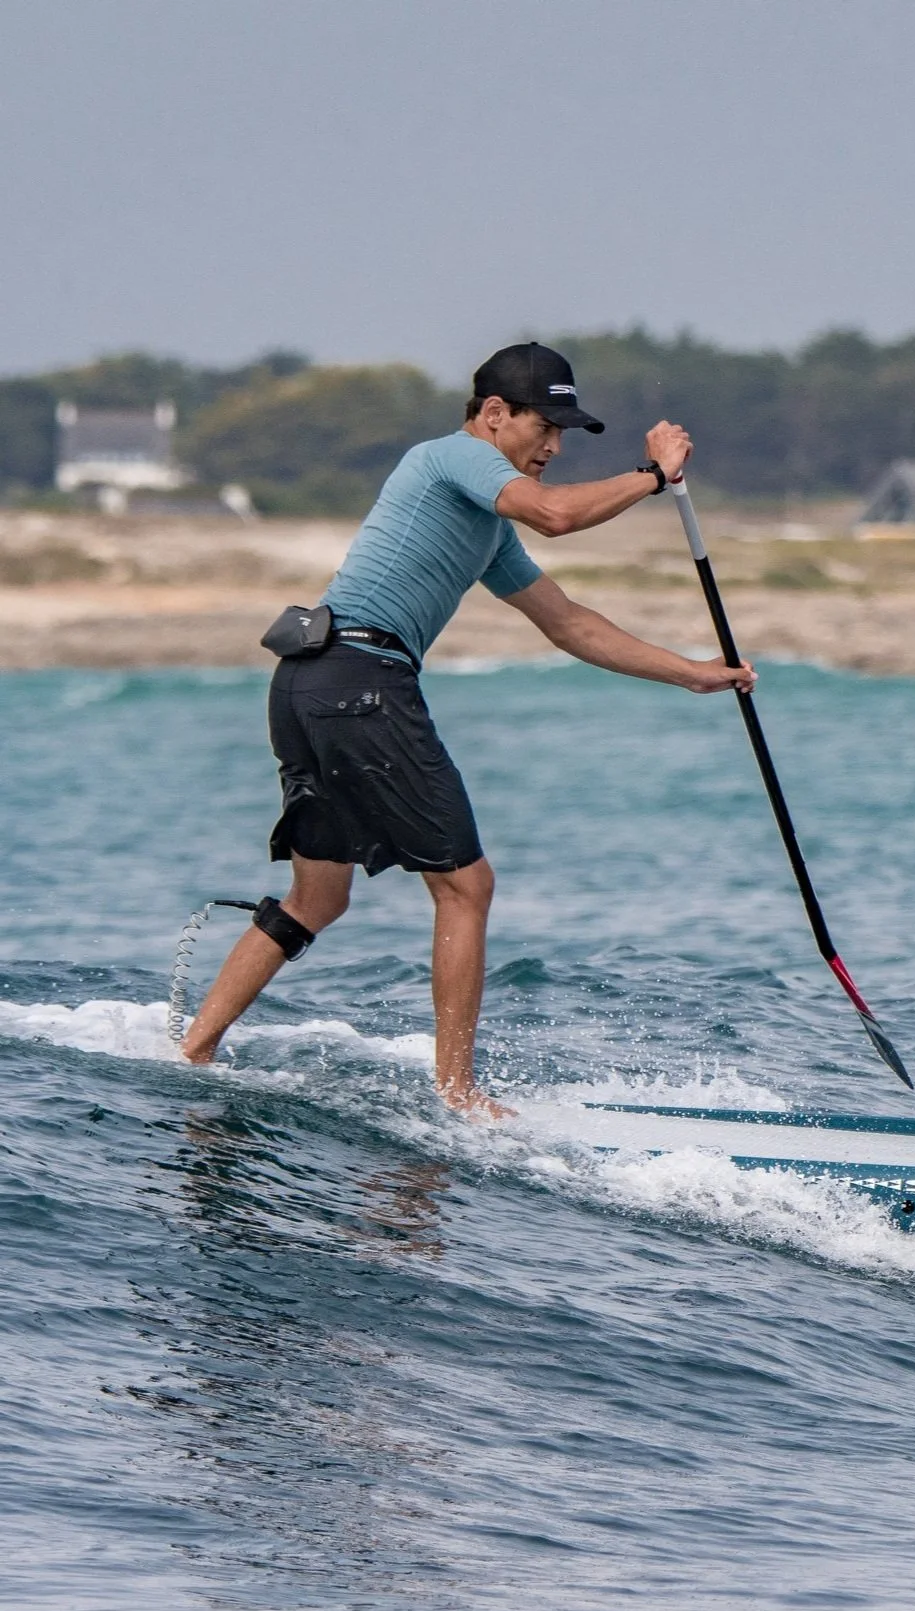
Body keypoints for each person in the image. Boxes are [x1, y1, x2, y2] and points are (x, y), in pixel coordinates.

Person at [180, 342, 755, 1116]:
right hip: (359, 679)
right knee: (465, 885)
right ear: (493, 415)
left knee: (318, 895)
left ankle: (195, 1047)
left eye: (563, 433)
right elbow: (555, 516)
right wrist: (656, 476)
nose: (553, 446)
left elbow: (569, 624)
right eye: (543, 427)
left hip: (309, 682)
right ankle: (458, 1093)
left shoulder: (484, 521)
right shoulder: (454, 459)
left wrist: (689, 670)